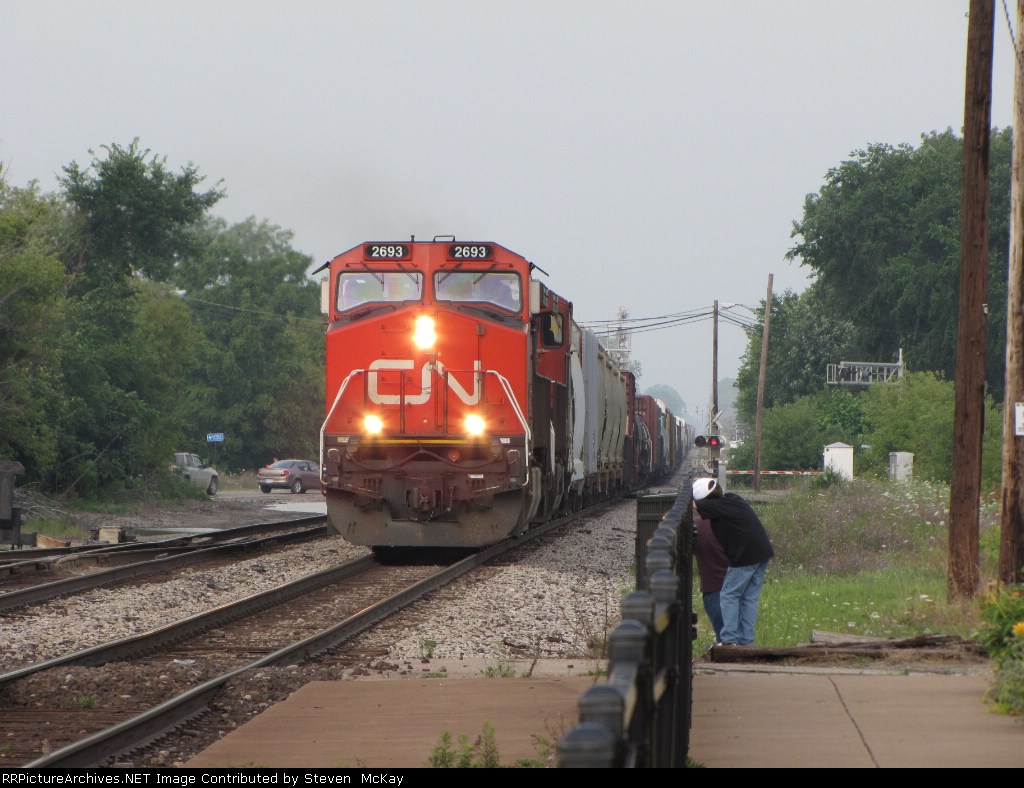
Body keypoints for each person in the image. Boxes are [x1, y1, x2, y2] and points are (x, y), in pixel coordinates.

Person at [691, 477, 774, 646]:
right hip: (761, 553)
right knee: (749, 599)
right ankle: (746, 642)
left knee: (729, 594)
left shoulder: (717, 506)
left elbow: (700, 506)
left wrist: (691, 502)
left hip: (745, 556)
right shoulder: (732, 500)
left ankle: (729, 640)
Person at [692, 511, 728, 643]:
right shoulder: (729, 522)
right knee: (734, 632)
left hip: (712, 587)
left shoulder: (696, 525)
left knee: (722, 633)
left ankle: (727, 656)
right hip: (735, 587)